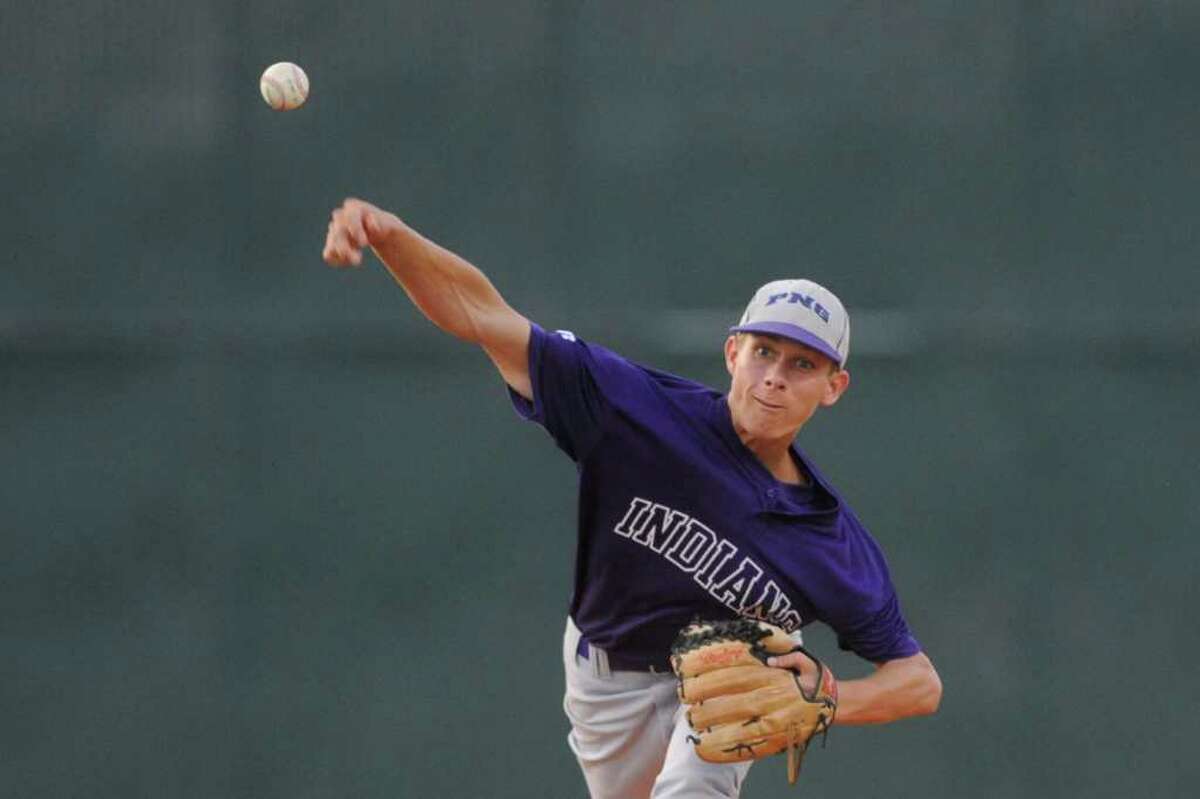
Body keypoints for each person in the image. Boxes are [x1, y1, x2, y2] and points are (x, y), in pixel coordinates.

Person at [322, 198, 942, 798]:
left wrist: (826, 696)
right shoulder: (639, 412)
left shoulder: (828, 543)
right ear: (733, 353)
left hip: (730, 689)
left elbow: (918, 683)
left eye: (803, 365)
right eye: (764, 352)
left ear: (834, 387)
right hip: (606, 680)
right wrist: (391, 237)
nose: (775, 376)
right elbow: (482, 314)